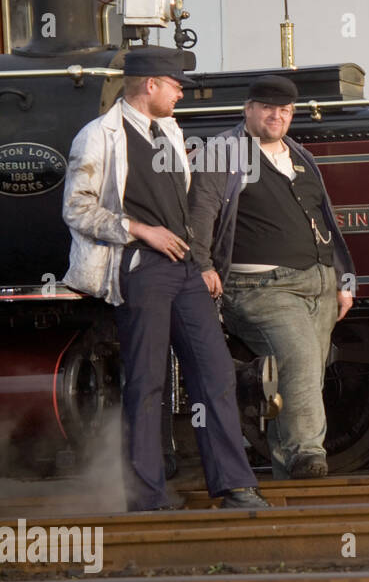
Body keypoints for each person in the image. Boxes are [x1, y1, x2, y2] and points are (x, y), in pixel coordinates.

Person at [62, 46, 266, 511]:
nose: (180, 94)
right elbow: (76, 207)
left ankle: (235, 485)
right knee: (146, 381)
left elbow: (183, 206)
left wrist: (201, 261)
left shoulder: (170, 132)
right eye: (175, 85)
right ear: (150, 85)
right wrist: (140, 230)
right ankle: (146, 498)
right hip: (139, 267)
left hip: (185, 270)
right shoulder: (98, 136)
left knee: (215, 374)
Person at [189, 75, 355, 480]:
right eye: (267, 109)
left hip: (318, 284)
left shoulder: (300, 155)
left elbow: (323, 220)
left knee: (309, 372)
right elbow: (199, 216)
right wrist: (203, 267)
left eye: (284, 111)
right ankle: (306, 457)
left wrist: (344, 278)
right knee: (298, 359)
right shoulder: (221, 153)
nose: (276, 116)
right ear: (248, 109)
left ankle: (289, 473)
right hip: (260, 288)